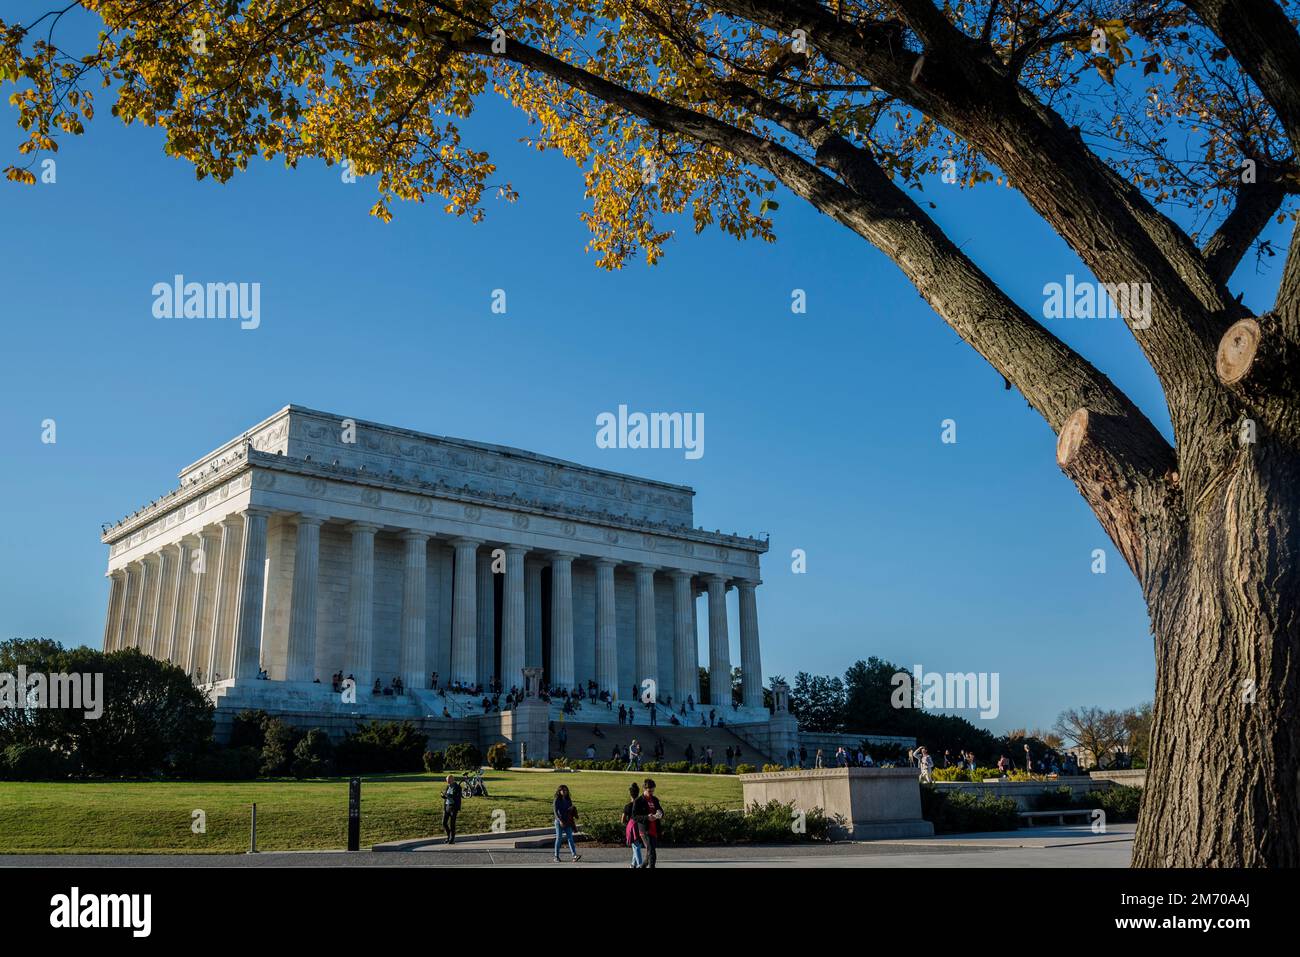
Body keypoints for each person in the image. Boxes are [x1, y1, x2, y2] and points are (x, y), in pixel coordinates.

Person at [638, 778, 664, 869]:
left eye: (653, 791)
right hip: (645, 830)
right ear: (644, 789)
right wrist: (647, 817)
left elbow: (660, 810)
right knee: (652, 853)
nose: (651, 793)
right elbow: (634, 816)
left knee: (649, 854)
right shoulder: (639, 801)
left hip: (654, 830)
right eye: (649, 791)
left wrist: (660, 813)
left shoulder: (655, 799)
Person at [552, 785, 581, 862]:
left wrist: (573, 810)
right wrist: (560, 821)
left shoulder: (568, 799)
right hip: (559, 822)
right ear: (559, 791)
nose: (565, 792)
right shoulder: (556, 800)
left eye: (566, 790)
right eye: (563, 790)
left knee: (570, 838)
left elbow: (569, 810)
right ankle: (556, 856)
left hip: (567, 821)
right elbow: (555, 812)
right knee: (559, 838)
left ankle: (574, 855)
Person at [622, 782, 644, 868]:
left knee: (636, 846)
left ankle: (639, 864)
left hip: (631, 826)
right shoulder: (641, 804)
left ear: (630, 794)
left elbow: (622, 819)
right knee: (636, 845)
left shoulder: (627, 806)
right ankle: (634, 864)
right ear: (638, 793)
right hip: (640, 825)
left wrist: (627, 825)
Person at [441, 774, 462, 845]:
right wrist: (444, 796)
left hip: (453, 807)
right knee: (444, 823)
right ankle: (448, 835)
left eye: (448, 780)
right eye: (447, 780)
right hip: (447, 806)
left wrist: (448, 795)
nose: (447, 782)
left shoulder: (458, 787)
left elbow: (457, 797)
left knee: (452, 824)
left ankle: (452, 839)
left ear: (452, 779)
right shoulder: (448, 786)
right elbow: (447, 796)